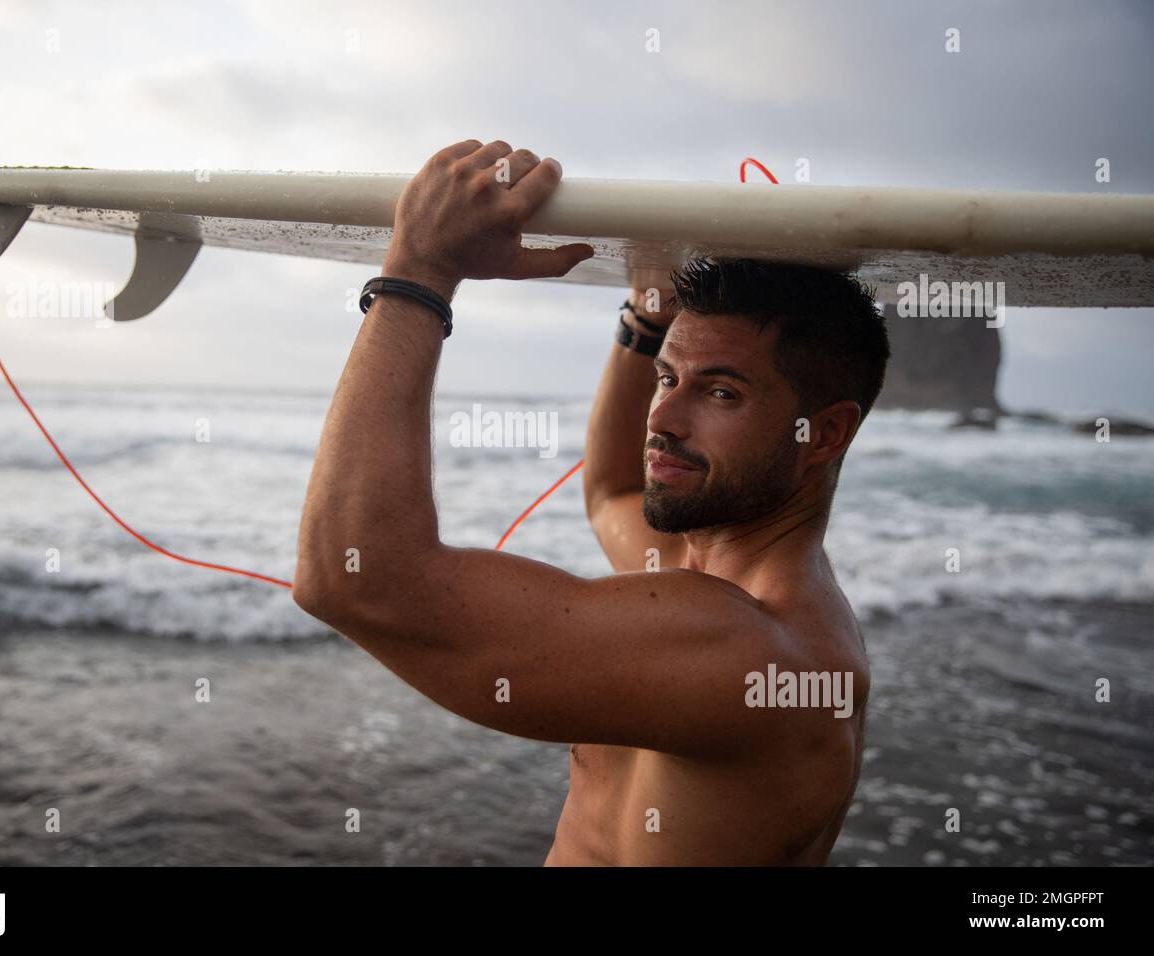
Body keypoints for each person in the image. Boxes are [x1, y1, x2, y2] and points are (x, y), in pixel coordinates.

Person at [294, 139, 889, 865]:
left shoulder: (755, 656)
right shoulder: (708, 571)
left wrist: (420, 271)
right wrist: (644, 318)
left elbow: (356, 578)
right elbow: (615, 488)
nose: (663, 418)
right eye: (668, 378)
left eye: (721, 392)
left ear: (824, 433)